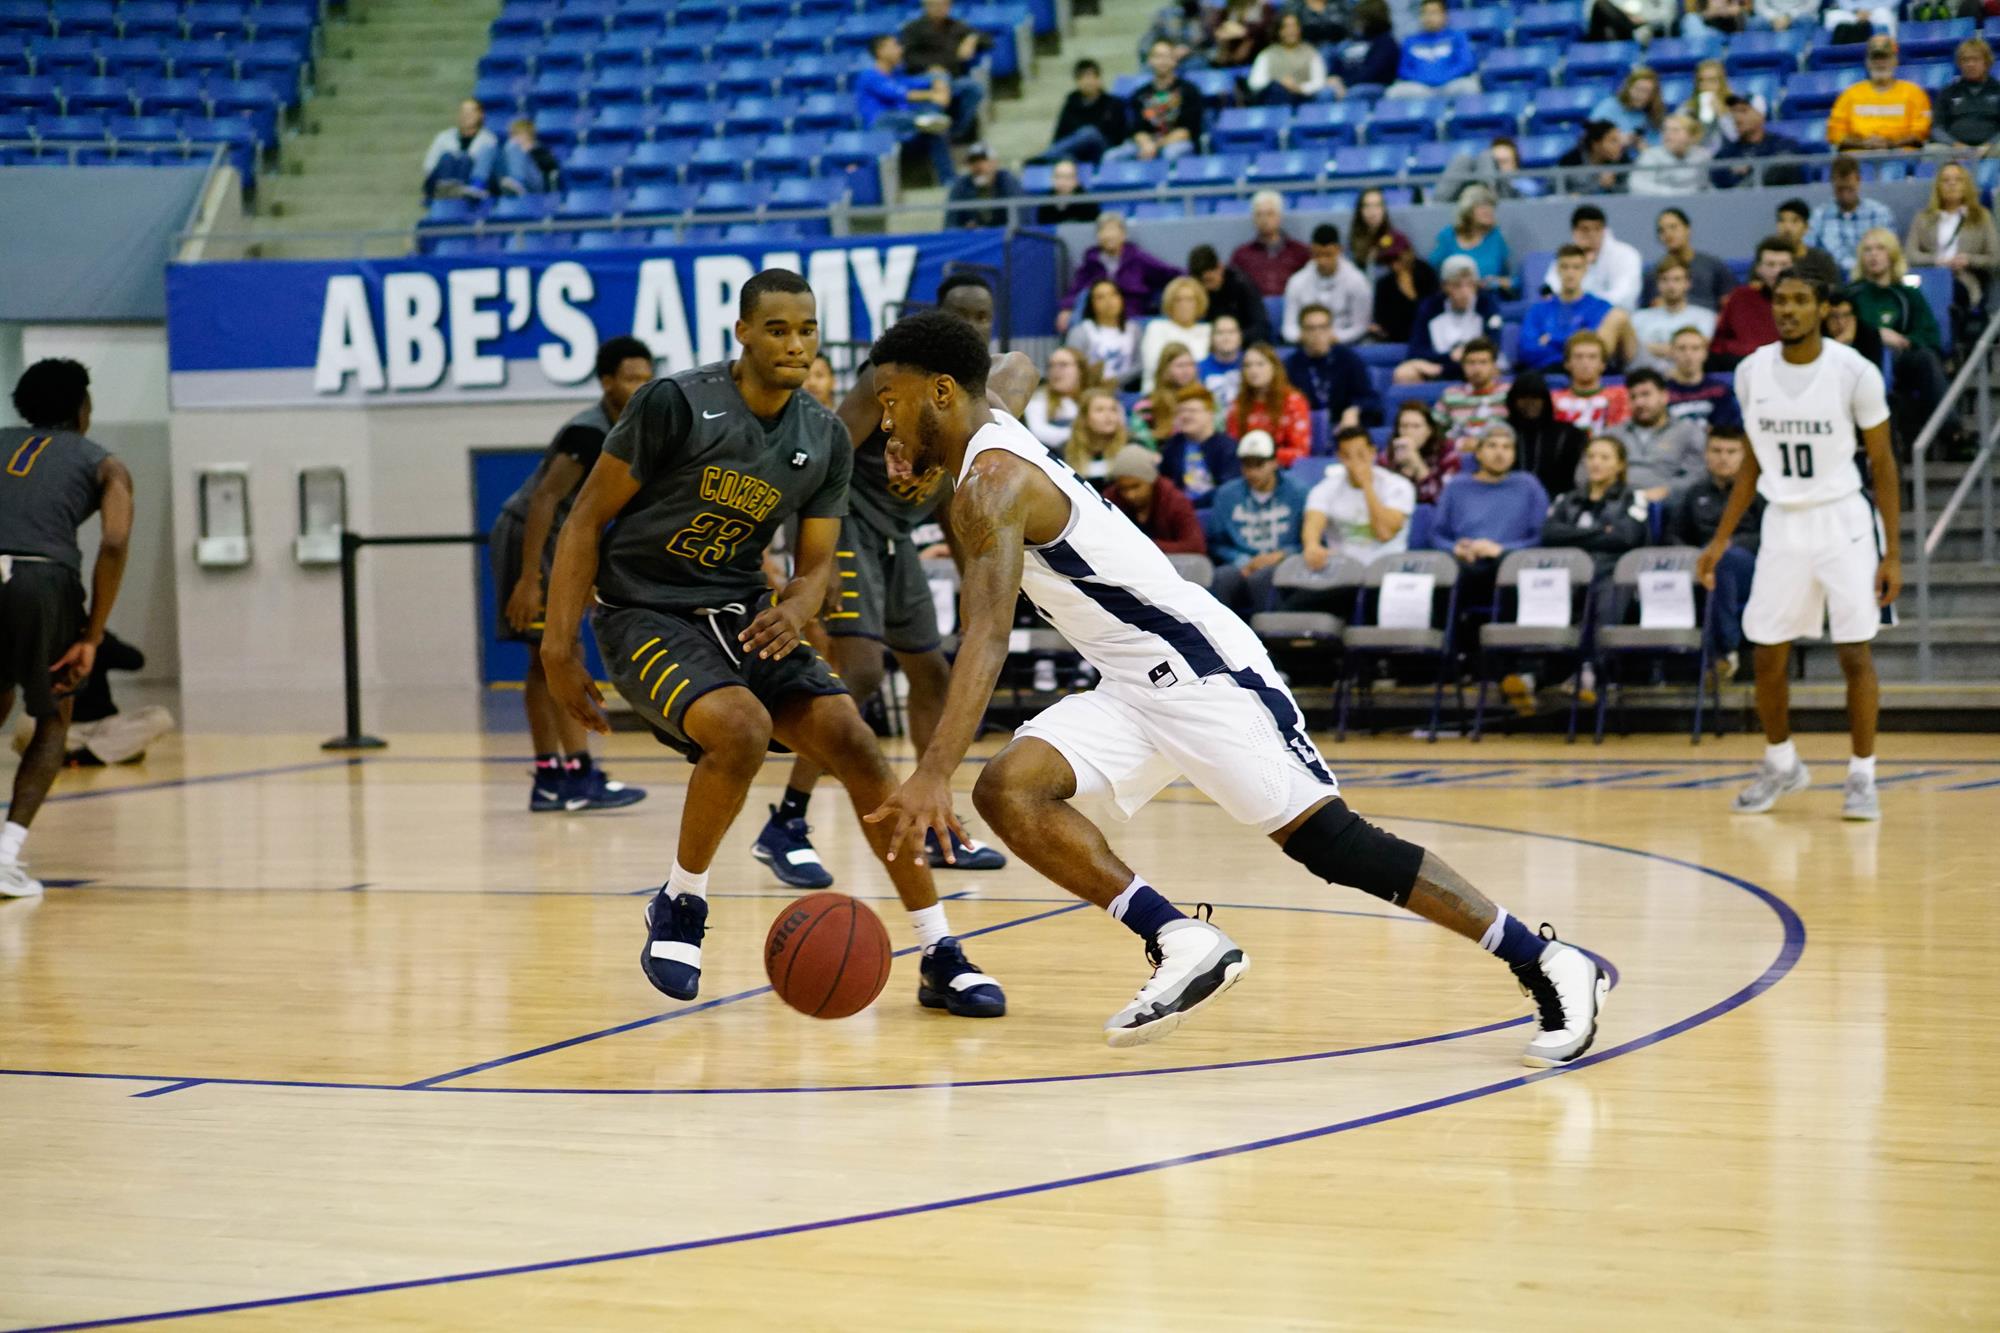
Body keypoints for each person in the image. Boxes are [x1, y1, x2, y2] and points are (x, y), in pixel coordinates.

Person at [863, 310, 1606, 1058]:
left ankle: (1546, 960)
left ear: (943, 392)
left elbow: (987, 637)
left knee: (1331, 844)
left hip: (1199, 667)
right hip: (1129, 679)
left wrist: (932, 772)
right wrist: (941, 430)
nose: (885, 422)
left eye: (893, 401)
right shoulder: (990, 418)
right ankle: (1181, 939)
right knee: (1009, 790)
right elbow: (1017, 367)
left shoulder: (991, 484)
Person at [541, 270, 1010, 1015]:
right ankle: (680, 901)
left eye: (807, 330)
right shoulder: (675, 404)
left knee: (854, 743)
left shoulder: (822, 436)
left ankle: (939, 950)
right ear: (743, 334)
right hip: (645, 612)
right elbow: (584, 519)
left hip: (743, 611)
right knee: (742, 728)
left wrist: (797, 604)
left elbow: (817, 563)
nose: (795, 344)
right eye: (778, 329)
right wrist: (558, 649)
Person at [1694, 268, 1901, 822]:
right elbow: (1752, 463)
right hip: (1783, 522)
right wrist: (1720, 540)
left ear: (1823, 308)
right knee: (1766, 651)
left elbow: (1883, 464)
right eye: (1781, 300)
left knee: (1854, 651)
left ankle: (1862, 775)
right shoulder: (1750, 371)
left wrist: (1893, 553)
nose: (1787, 310)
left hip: (1843, 521)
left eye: (1800, 300)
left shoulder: (1854, 372)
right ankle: (1782, 763)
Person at [494, 336, 657, 814]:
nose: (641, 385)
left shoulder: (632, 428)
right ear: (607, 383)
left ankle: (554, 777)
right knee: (557, 653)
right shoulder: (589, 433)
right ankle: (575, 775)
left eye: (647, 377)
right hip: (532, 535)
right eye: (630, 378)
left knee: (549, 659)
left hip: (562, 541)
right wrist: (530, 577)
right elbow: (545, 499)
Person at [0, 359, 133, 898]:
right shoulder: (105, 464)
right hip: (42, 579)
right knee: (53, 716)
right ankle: (5, 856)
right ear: (83, 409)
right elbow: (115, 540)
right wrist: (92, 636)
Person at [1426, 422, 1551, 615]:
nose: (1500, 453)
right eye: (1492, 446)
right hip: (1465, 562)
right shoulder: (1456, 486)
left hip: (1511, 562)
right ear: (1478, 453)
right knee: (1440, 571)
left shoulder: (1529, 485)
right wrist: (1455, 548)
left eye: (1507, 447)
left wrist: (1501, 550)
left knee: (1518, 569)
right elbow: (1436, 536)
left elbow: (1541, 537)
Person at [1671, 425, 1762, 678]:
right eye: (1716, 451)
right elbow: (1674, 534)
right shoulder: (1695, 493)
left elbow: (1772, 533)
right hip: (1702, 562)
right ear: (1705, 455)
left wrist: (1734, 543)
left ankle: (1724, 650)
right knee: (1709, 563)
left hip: (1750, 565)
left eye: (1731, 452)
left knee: (1723, 560)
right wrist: (1692, 553)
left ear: (1745, 456)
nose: (1723, 457)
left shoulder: (1760, 491)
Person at [1847, 227, 1953, 444]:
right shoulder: (1851, 294)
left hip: (1901, 360)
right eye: (1868, 250)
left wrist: (1904, 341)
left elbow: (1930, 335)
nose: (1873, 255)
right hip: (1860, 360)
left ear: (1892, 254)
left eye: (1880, 249)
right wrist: (1876, 335)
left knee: (1926, 358)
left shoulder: (1908, 294)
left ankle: (1952, 431)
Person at [1541, 434, 1650, 634]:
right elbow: (1549, 534)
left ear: (1620, 465)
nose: (1596, 463)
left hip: (1611, 570)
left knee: (1609, 587)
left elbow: (1627, 537)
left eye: (1604, 458)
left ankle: (1601, 651)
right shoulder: (1567, 499)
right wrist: (1601, 530)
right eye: (1591, 457)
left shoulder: (1633, 496)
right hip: (1568, 570)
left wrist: (1574, 535)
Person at [1205, 430, 1307, 612]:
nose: (1252, 472)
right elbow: (1216, 543)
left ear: (1274, 462)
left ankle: (1266, 630)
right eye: (1246, 465)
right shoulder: (1226, 495)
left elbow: (1309, 541)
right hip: (1241, 565)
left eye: (1259, 464)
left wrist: (1281, 555)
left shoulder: (1298, 493)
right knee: (1222, 577)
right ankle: (1218, 629)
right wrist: (1242, 560)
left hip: (1283, 563)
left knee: (1262, 578)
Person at [1302, 425, 1416, 565]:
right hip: (1343, 569)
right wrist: (1312, 546)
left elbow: (1384, 533)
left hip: (1388, 567)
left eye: (1361, 455)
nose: (1355, 462)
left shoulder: (1398, 486)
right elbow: (1313, 524)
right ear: (1339, 457)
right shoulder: (1324, 489)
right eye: (1347, 456)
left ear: (1372, 452)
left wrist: (1367, 486)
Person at [857, 34, 956, 186]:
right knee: (913, 116)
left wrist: (940, 82)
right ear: (880, 51)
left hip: (905, 122)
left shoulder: (896, 74)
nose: (900, 50)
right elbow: (901, 94)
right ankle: (928, 120)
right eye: (894, 46)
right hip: (881, 124)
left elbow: (924, 80)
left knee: (935, 131)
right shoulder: (869, 75)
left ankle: (949, 181)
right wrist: (933, 95)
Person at [1058, 213, 1181, 333]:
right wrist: (1066, 308)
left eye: (1113, 230)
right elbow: (1076, 289)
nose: (1109, 235)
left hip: (1132, 317)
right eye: (1104, 230)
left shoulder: (1139, 259)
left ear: (1123, 234)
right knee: (1083, 297)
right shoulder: (1091, 262)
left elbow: (1170, 273)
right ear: (1098, 236)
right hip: (1098, 320)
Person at [1905, 160, 2000, 315]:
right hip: (1930, 276)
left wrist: (1969, 259)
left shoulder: (1982, 217)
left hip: (1963, 280)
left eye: (1958, 179)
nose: (1952, 184)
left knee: (1949, 292)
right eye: (1946, 180)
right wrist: (1937, 260)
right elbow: (1910, 255)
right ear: (1938, 186)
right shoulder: (1923, 218)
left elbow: (1995, 259)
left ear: (1966, 185)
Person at [1521, 244, 1628, 374]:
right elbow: (1527, 350)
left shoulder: (1600, 307)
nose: (1570, 273)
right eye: (1564, 267)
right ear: (1557, 270)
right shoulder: (1538, 310)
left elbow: (1591, 347)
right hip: (1546, 371)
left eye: (1576, 267)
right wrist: (1571, 345)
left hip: (1587, 373)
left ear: (1585, 270)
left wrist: (1552, 339)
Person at [1394, 256, 1503, 385]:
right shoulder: (1430, 307)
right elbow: (1416, 349)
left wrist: (1466, 355)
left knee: (1493, 369)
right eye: (1457, 286)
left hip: (1474, 364)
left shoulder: (1487, 304)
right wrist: (1448, 357)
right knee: (1404, 373)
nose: (1465, 292)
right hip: (1438, 365)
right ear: (1445, 286)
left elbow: (1493, 344)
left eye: (1470, 285)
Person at [1606, 367, 1708, 502]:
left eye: (1646, 395)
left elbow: (1699, 474)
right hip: (1618, 501)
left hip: (1670, 503)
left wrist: (1669, 490)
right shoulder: (1613, 435)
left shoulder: (1688, 431)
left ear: (1664, 396)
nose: (1639, 402)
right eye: (1633, 397)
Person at [1105, 39, 1207, 163]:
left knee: (1170, 153)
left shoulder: (1189, 90)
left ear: (1175, 60)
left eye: (1167, 56)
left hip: (1178, 143)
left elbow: (1188, 130)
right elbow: (1136, 129)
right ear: (1150, 60)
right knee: (1111, 156)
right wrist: (1146, 144)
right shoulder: (1140, 94)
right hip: (1146, 144)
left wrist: (1156, 146)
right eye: (1158, 56)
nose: (1162, 61)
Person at [900, 0, 988, 143]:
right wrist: (929, 66)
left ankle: (956, 131)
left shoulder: (956, 26)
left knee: (974, 88)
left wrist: (971, 39)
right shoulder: (913, 29)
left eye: (945, 5)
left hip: (953, 79)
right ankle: (937, 135)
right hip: (925, 80)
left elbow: (987, 40)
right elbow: (907, 57)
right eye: (936, 5)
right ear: (927, 6)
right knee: (940, 77)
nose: (941, 9)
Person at [1100, 444, 1211, 556]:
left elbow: (1196, 545)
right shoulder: (1110, 499)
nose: (1130, 495)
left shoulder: (1174, 501)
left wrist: (1144, 546)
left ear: (1151, 480)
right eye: (1123, 489)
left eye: (1136, 486)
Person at [1828, 35, 1932, 153]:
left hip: (1900, 154)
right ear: (1867, 62)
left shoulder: (1914, 93)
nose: (1880, 63)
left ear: (1895, 60)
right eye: (1875, 58)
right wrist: (1864, 144)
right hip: (1859, 154)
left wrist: (1889, 143)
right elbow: (1835, 133)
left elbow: (1920, 133)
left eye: (1885, 58)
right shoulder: (1849, 94)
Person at [1284, 305, 1379, 429]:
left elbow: (1369, 398)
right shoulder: (1290, 365)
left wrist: (1354, 410)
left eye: (1323, 327)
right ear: (1301, 333)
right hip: (1304, 427)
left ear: (1331, 331)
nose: (1317, 334)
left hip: (1343, 427)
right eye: (1311, 328)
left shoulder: (1348, 359)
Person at [1806, 155, 1899, 277]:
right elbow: (1808, 252)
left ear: (1858, 180)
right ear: (1832, 182)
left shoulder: (1879, 213)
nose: (1845, 193)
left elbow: (1892, 251)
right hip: (1831, 278)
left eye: (1849, 188)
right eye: (1840, 189)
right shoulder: (1818, 216)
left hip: (1872, 277)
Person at [1711, 236, 1793, 370]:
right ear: (1759, 268)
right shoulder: (1740, 297)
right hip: (1742, 365)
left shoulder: (1805, 303)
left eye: (1783, 265)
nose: (1777, 271)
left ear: (1794, 267)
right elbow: (1719, 342)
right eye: (1770, 264)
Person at [1281, 223, 1370, 344]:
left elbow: (1360, 326)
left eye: (1328, 255)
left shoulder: (1358, 281)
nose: (1323, 261)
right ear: (1311, 250)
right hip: (1307, 344)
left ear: (1339, 250)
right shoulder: (1296, 282)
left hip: (1345, 344)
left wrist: (1333, 338)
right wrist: (1307, 338)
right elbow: (1288, 327)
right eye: (1318, 255)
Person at [1228, 343, 1314, 465]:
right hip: (1246, 468)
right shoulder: (1238, 403)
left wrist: (1265, 456)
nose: (1253, 370)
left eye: (1260, 364)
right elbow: (1232, 446)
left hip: (1283, 468)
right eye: (1248, 365)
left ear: (1274, 368)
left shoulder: (1293, 401)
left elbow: (1301, 451)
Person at [1629, 256, 1717, 375]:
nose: (1671, 285)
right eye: (1665, 279)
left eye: (1677, 279)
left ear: (1687, 283)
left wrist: (1650, 348)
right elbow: (1632, 351)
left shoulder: (1706, 317)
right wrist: (1676, 348)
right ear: (1657, 284)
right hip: (1646, 377)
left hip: (1687, 378)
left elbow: (1700, 349)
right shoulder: (1638, 318)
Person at [1505, 372, 1588, 498]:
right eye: (1523, 398)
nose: (1530, 403)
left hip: (1559, 500)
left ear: (1546, 401)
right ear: (1513, 401)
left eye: (1536, 397)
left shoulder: (1569, 434)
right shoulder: (1502, 433)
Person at [1034, 58, 1129, 165]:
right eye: (1083, 77)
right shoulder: (1071, 103)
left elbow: (1119, 136)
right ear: (1077, 82)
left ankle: (1042, 158)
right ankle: (1047, 158)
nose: (1088, 82)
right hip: (1079, 153)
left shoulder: (1113, 103)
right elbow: (1060, 136)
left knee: (1089, 133)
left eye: (1091, 76)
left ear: (1099, 79)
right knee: (1066, 159)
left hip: (1105, 150)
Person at [1642, 207, 1737, 313]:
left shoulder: (1713, 266)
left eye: (1673, 227)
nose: (1668, 234)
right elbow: (1648, 310)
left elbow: (1730, 304)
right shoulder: (1652, 274)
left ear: (1688, 229)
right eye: (1661, 230)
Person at [1158, 388, 1240, 507]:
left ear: (1210, 413)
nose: (1185, 416)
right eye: (1181, 411)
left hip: (1215, 509)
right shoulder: (1172, 447)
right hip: (1180, 510)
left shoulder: (1228, 447)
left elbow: (1228, 490)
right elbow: (1164, 486)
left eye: (1192, 411)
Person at [1709, 95, 1807, 191]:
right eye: (1733, 111)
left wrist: (1752, 168)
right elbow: (1717, 180)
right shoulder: (1726, 153)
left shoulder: (1782, 144)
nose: (1736, 117)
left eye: (1743, 111)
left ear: (1761, 115)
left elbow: (1785, 163)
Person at [1386, 0, 1478, 99]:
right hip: (1420, 87)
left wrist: (1442, 78)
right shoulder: (1410, 40)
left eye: (1433, 12)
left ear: (1444, 15)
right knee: (1394, 92)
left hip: (1450, 84)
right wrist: (1425, 79)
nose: (1428, 17)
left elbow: (1466, 64)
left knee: (1469, 87)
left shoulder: (1457, 37)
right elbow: (1403, 69)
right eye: (1424, 13)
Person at [1229, 191, 1313, 299]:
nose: (1264, 220)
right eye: (1259, 214)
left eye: (1269, 214)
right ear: (1253, 218)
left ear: (1279, 216)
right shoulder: (1241, 255)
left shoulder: (1300, 252)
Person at [1428, 186, 1510, 294]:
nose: (1489, 210)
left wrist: (1498, 282)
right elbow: (1431, 271)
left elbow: (1508, 278)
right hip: (1454, 296)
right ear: (1468, 211)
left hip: (1489, 297)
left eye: (1491, 206)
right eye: (1482, 206)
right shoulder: (1448, 236)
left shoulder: (1496, 237)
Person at [1065, 278, 1145, 389]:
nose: (1109, 301)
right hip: (1089, 389)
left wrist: (1116, 380)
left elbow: (1140, 365)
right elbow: (1071, 366)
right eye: (1100, 297)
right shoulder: (1080, 332)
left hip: (1125, 390)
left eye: (1113, 294)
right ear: (1091, 304)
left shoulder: (1134, 330)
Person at [1563, 205, 1644, 312]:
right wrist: (1584, 264)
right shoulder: (1566, 257)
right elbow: (1552, 291)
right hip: (1574, 316)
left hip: (1615, 316)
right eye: (1585, 229)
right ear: (1574, 232)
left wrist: (1585, 306)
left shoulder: (1627, 255)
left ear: (1604, 230)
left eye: (1597, 229)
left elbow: (1625, 296)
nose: (1592, 235)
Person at [1138, 278, 1213, 393]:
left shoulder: (1209, 331)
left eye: (1190, 299)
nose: (1184, 305)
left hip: (1198, 395)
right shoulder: (1156, 328)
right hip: (1161, 394)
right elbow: (1154, 366)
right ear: (1169, 303)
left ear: (1199, 303)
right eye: (1178, 300)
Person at [1189, 245, 1272, 346]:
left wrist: (1232, 339)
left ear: (1220, 267)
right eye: (1201, 282)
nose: (1206, 287)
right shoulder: (1195, 291)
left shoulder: (1242, 285)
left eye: (1209, 280)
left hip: (1244, 343)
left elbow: (1261, 326)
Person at [1663, 326, 1742, 431]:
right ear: (1671, 352)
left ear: (1705, 353)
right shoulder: (1663, 392)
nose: (1688, 354)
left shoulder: (1720, 390)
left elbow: (1730, 430)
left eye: (1695, 348)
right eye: (1682, 348)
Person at [1552, 331, 1629, 436]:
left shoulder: (1621, 397)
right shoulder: (1553, 400)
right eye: (1579, 357)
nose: (1585, 363)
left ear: (1603, 365)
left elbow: (1623, 434)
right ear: (1567, 363)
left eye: (1592, 357)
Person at [1369, 234, 1440, 347]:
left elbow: (1434, 312)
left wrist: (1412, 296)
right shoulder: (1384, 284)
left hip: (1427, 339)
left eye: (1397, 258)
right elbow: (1382, 319)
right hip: (1395, 341)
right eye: (1388, 261)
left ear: (1408, 252)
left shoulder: (1426, 273)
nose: (1394, 265)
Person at [1432, 337, 1508, 442]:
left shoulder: (1507, 393)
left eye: (1483, 362)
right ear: (1463, 366)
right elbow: (1434, 429)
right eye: (1471, 362)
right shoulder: (1450, 395)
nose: (1477, 368)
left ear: (1494, 365)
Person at [1933, 37, 2000, 156]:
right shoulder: (1948, 92)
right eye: (1965, 60)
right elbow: (1937, 129)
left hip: (1993, 148)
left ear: (1986, 62)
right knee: (1932, 150)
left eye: (1975, 59)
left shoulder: (1998, 89)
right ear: (1959, 64)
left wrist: (1989, 145)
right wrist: (1955, 145)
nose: (1970, 64)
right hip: (1955, 150)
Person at [1386, 399, 1461, 505]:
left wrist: (1417, 463)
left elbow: (1443, 500)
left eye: (1416, 426)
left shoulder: (1447, 452)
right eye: (1404, 426)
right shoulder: (1388, 455)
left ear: (1429, 430)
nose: (1409, 432)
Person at [422, 99, 498, 200]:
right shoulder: (444, 136)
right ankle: (446, 188)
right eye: (463, 112)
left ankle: (459, 189)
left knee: (465, 159)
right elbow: (429, 165)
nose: (466, 115)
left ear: (480, 115)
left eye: (471, 112)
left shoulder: (488, 139)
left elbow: (484, 167)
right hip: (440, 181)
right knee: (447, 157)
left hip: (468, 180)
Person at [1249, 12, 1329, 107]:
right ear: (1279, 31)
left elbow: (1319, 82)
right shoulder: (1267, 55)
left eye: (1294, 26)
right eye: (1286, 27)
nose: (1291, 30)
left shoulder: (1311, 53)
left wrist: (1299, 88)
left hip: (1305, 98)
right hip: (1275, 98)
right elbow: (1255, 82)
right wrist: (1281, 83)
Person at [1132, 342, 1202, 449]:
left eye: (1190, 365)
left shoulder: (1205, 400)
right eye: (1180, 366)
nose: (1186, 371)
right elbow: (1140, 441)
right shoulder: (1146, 406)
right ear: (1165, 369)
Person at [1680, 59, 1761, 150]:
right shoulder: (1688, 108)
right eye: (1701, 81)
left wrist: (1722, 114)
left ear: (1722, 83)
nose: (1706, 85)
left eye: (1712, 80)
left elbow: (1737, 139)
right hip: (1700, 156)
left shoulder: (1735, 106)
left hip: (1731, 155)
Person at [1631, 114, 1713, 196]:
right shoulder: (1650, 155)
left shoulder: (1702, 156)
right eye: (1665, 130)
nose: (1668, 134)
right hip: (1659, 203)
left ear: (1691, 135)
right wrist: (1676, 194)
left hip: (1695, 202)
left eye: (1675, 130)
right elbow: (1637, 185)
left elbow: (1706, 186)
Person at [1026, 345, 1088, 453]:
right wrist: (1084, 434)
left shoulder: (1093, 397)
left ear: (1081, 370)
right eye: (1051, 366)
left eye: (1063, 365)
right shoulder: (1038, 399)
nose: (1056, 370)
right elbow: (1039, 432)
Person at [944, 144, 1021, 228]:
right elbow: (950, 224)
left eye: (983, 160)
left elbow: (1022, 219)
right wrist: (964, 230)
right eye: (973, 161)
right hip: (974, 236)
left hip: (1005, 235)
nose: (978, 165)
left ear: (995, 162)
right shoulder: (961, 185)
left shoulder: (1007, 181)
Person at [1774, 197, 1843, 289]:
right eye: (1782, 221)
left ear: (1806, 227)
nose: (1787, 227)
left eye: (1795, 221)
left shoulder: (1822, 259)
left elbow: (1836, 290)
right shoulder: (1767, 256)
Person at [1331, 0, 1400, 92]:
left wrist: (1345, 84)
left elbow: (1372, 74)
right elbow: (1336, 66)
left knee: (1358, 91)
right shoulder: (1351, 41)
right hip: (1344, 85)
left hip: (1372, 86)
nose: (1357, 22)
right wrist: (1335, 79)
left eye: (1362, 18)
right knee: (1327, 92)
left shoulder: (1386, 43)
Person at [1592, 67, 1669, 146]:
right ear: (1628, 88)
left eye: (1647, 91)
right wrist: (1616, 140)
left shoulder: (1655, 114)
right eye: (1638, 89)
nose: (1641, 95)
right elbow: (1592, 139)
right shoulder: (1609, 106)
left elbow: (1661, 148)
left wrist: (1644, 148)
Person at [1067, 385, 1130, 479]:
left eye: (1113, 409)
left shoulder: (1130, 447)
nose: (1108, 415)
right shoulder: (1067, 451)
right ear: (1084, 418)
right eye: (1100, 410)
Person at [1559, 120, 1636, 196]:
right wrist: (1598, 185)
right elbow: (1560, 194)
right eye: (1613, 141)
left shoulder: (1623, 161)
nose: (1620, 145)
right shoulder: (1570, 162)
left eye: (1619, 140)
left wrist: (1612, 186)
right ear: (1595, 144)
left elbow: (1629, 194)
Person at [1345, 187, 1408, 273]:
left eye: (1377, 205)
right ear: (1360, 210)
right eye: (1366, 206)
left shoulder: (1398, 239)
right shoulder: (1352, 242)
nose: (1372, 211)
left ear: (1384, 209)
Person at [1824, 287, 1886, 369]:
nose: (1841, 323)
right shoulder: (1818, 334)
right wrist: (1839, 342)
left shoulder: (1869, 335)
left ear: (1854, 318)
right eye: (1834, 317)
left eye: (1846, 315)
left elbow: (1871, 372)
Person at [496, 118, 560, 196]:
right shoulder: (511, 151)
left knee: (511, 146)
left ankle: (518, 184)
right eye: (512, 135)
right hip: (511, 180)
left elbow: (552, 167)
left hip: (536, 185)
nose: (514, 139)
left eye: (517, 134)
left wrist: (530, 152)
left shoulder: (539, 149)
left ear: (528, 134)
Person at [1200, 313, 1246, 412]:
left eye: (1231, 332)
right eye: (1220, 333)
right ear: (1211, 338)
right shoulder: (1198, 369)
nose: (1226, 337)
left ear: (1240, 337)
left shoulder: (1251, 364)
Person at [1036, 158, 1101, 225]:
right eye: (1058, 176)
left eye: (1068, 177)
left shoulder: (1088, 202)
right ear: (1052, 178)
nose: (1063, 181)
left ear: (1076, 179)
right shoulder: (1045, 203)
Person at [1586, 0, 1677, 44]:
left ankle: (1633, 30)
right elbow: (1589, 16)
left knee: (1645, 30)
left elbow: (1668, 16)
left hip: (1650, 30)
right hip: (1615, 32)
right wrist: (1626, 17)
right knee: (1601, 5)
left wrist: (1645, 19)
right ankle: (1632, 30)